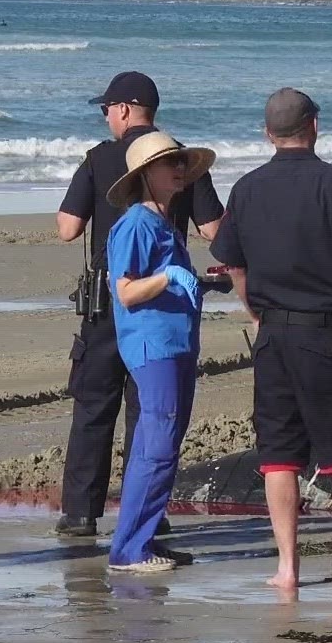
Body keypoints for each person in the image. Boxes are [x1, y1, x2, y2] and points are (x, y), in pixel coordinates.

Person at [210, 88, 332, 595]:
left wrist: (255, 310)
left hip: (272, 332)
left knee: (279, 451)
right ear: (313, 126)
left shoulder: (246, 189)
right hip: (326, 328)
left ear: (268, 133)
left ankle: (287, 567)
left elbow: (232, 262)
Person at [53, 71, 225, 539]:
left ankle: (80, 513)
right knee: (147, 412)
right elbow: (214, 230)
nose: (106, 117)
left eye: (106, 109)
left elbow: (67, 227)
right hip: (162, 306)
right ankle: (147, 511)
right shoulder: (180, 162)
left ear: (125, 109)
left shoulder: (97, 158)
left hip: (108, 304)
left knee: (93, 407)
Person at [103, 131, 216, 574]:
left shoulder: (163, 222)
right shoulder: (134, 222)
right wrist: (169, 277)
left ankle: (143, 539)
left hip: (177, 344)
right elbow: (126, 291)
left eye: (182, 163)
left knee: (163, 446)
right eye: (172, 164)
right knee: (157, 447)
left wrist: (203, 281)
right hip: (154, 348)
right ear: (146, 174)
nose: (180, 171)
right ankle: (129, 550)